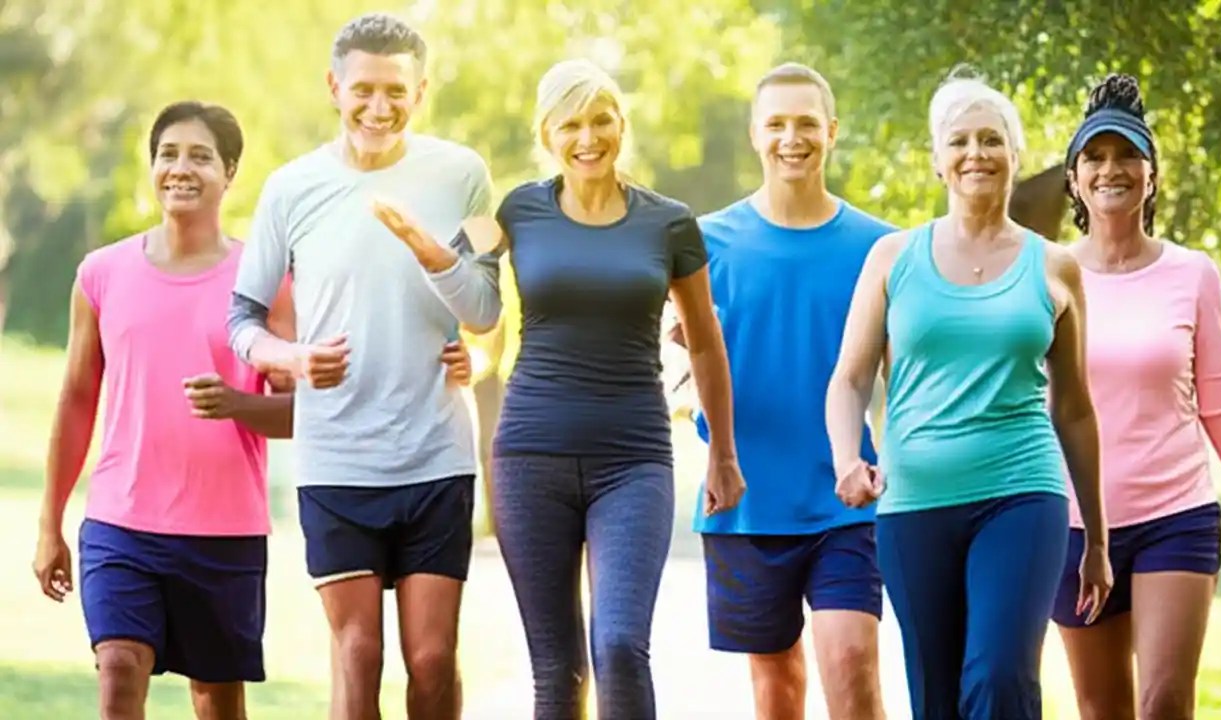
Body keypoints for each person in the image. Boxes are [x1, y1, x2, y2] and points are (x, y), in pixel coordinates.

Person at [226, 12, 499, 720]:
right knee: (357, 654)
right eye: (365, 90)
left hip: (435, 451)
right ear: (334, 86)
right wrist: (291, 357)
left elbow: (486, 309)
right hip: (336, 456)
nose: (380, 107)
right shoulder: (291, 188)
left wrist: (425, 247)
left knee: (434, 657)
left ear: (422, 89)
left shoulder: (463, 174)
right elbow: (241, 320)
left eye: (396, 91)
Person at [456, 58, 743, 720]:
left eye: (601, 119)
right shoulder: (519, 210)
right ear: (547, 133)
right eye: (571, 124)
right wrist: (462, 351)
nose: (589, 138)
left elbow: (704, 340)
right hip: (530, 458)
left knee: (619, 644)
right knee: (556, 670)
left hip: (633, 460)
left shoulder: (668, 222)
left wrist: (723, 455)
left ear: (622, 124)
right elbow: (466, 290)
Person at [824, 70, 1113, 720]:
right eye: (959, 141)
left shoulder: (1055, 267)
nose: (976, 153)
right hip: (914, 505)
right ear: (937, 160)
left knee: (1000, 678)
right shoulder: (893, 258)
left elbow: (1073, 408)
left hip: (1022, 493)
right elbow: (848, 379)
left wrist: (1095, 538)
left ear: (1015, 154)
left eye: (991, 140)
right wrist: (849, 456)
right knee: (937, 696)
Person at [31, 101, 292, 720]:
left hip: (224, 529)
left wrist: (237, 404)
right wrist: (50, 524)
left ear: (229, 173)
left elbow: (302, 411)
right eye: (168, 154)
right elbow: (74, 400)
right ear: (152, 167)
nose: (181, 168)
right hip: (122, 522)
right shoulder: (101, 274)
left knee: (217, 701)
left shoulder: (264, 278)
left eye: (200, 156)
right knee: (119, 670)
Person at [1050, 73, 1221, 720]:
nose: (1110, 169)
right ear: (1073, 178)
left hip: (1176, 518)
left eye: (1127, 155)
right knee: (1103, 710)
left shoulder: (1192, 273)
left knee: (1165, 704)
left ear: (1152, 175)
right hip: (1073, 526)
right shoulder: (1048, 274)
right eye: (1093, 157)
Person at [688, 63, 894, 720]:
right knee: (776, 692)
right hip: (746, 503)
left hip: (846, 498)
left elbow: (902, 373)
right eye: (776, 124)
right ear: (755, 134)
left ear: (831, 132)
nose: (791, 138)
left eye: (806, 123)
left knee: (852, 666)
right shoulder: (703, 244)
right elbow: (675, 370)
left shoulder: (881, 247)